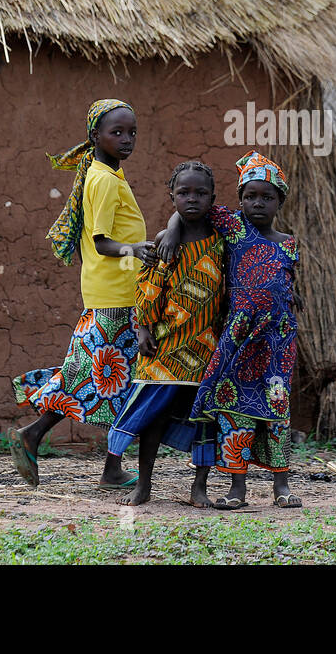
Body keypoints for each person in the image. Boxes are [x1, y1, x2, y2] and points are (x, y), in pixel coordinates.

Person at [8, 99, 156, 489]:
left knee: (114, 380)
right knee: (101, 378)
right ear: (95, 137)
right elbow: (103, 241)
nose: (127, 140)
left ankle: (107, 467)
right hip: (114, 295)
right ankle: (34, 434)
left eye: (132, 132)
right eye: (117, 132)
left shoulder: (108, 172)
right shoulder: (104, 180)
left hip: (116, 291)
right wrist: (137, 249)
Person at [159, 151, 302, 510]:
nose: (257, 203)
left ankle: (281, 487)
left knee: (276, 409)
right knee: (234, 406)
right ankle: (237, 489)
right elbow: (190, 207)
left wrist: (289, 292)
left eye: (266, 197)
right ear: (239, 200)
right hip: (239, 337)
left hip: (276, 340)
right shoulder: (235, 228)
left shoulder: (289, 243)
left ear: (280, 201)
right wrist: (172, 232)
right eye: (250, 196)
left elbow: (282, 275)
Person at [107, 161, 227, 508]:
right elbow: (149, 284)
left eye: (201, 193)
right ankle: (144, 485)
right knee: (153, 416)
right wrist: (143, 326)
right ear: (171, 196)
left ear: (213, 198)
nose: (192, 200)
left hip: (206, 344)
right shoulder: (165, 239)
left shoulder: (221, 240)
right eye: (183, 193)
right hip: (165, 343)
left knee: (205, 416)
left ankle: (198, 487)